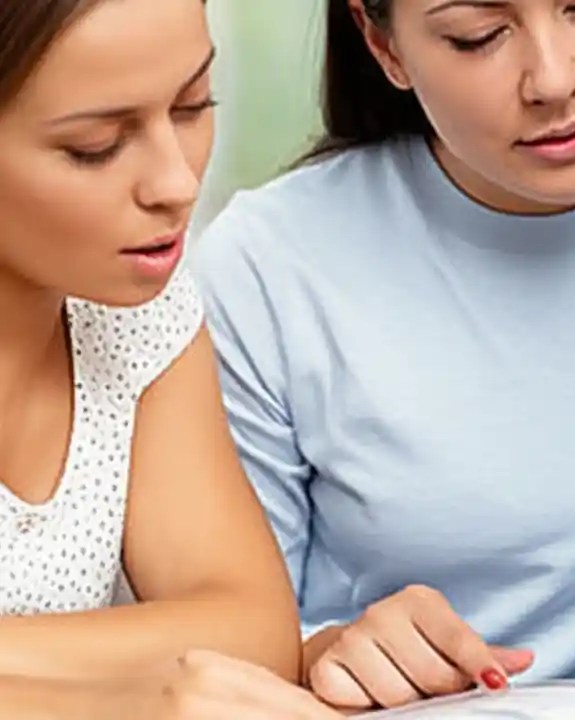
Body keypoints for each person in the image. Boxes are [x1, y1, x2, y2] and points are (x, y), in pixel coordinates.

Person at [191, 0, 575, 709]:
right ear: (382, 43)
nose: (551, 79)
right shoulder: (268, 268)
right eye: (479, 36)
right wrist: (322, 652)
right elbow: (218, 645)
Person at [0, 0, 340, 717]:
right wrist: (106, 701)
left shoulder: (138, 318)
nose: (177, 184)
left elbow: (252, 632)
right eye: (95, 146)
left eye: (192, 106)